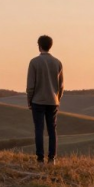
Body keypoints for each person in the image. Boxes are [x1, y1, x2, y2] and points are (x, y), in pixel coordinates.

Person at [26, 34, 63, 165]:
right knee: (52, 130)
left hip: (38, 101)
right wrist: (57, 99)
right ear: (50, 46)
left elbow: (31, 85)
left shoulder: (34, 62)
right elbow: (61, 85)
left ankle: (40, 159)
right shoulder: (57, 62)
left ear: (39, 46)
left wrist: (29, 100)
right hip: (53, 101)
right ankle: (52, 158)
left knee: (39, 129)